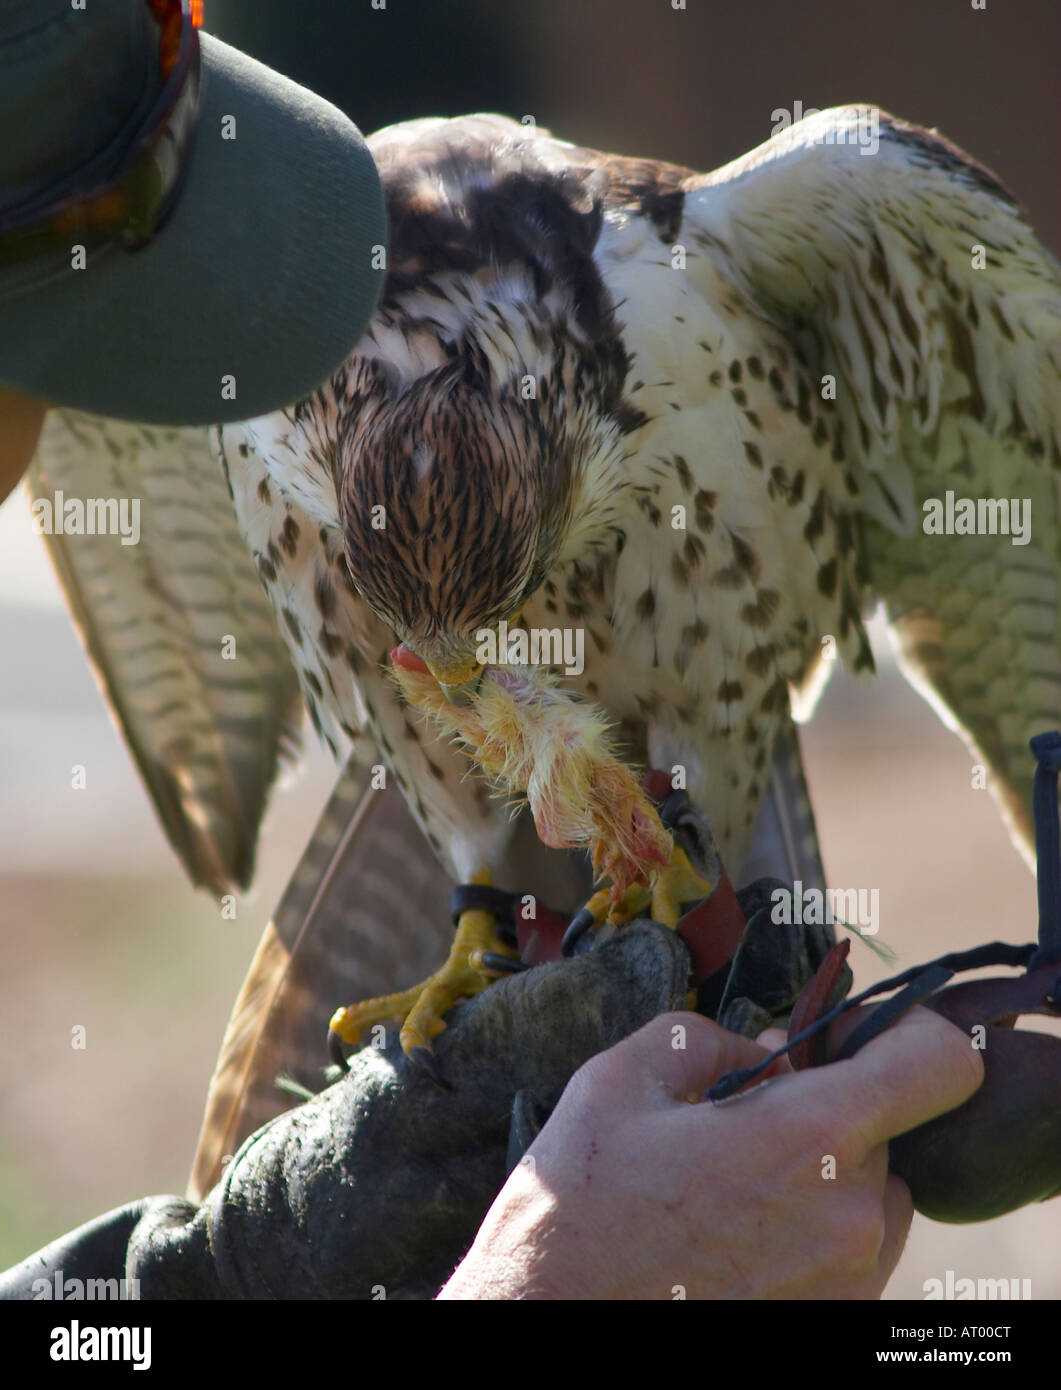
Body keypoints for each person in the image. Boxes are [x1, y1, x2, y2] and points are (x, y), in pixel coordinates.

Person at [0, 0, 985, 1302]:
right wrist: (547, 1279)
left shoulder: (663, 303)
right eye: (119, 322)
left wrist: (262, 1262)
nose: (143, 368)